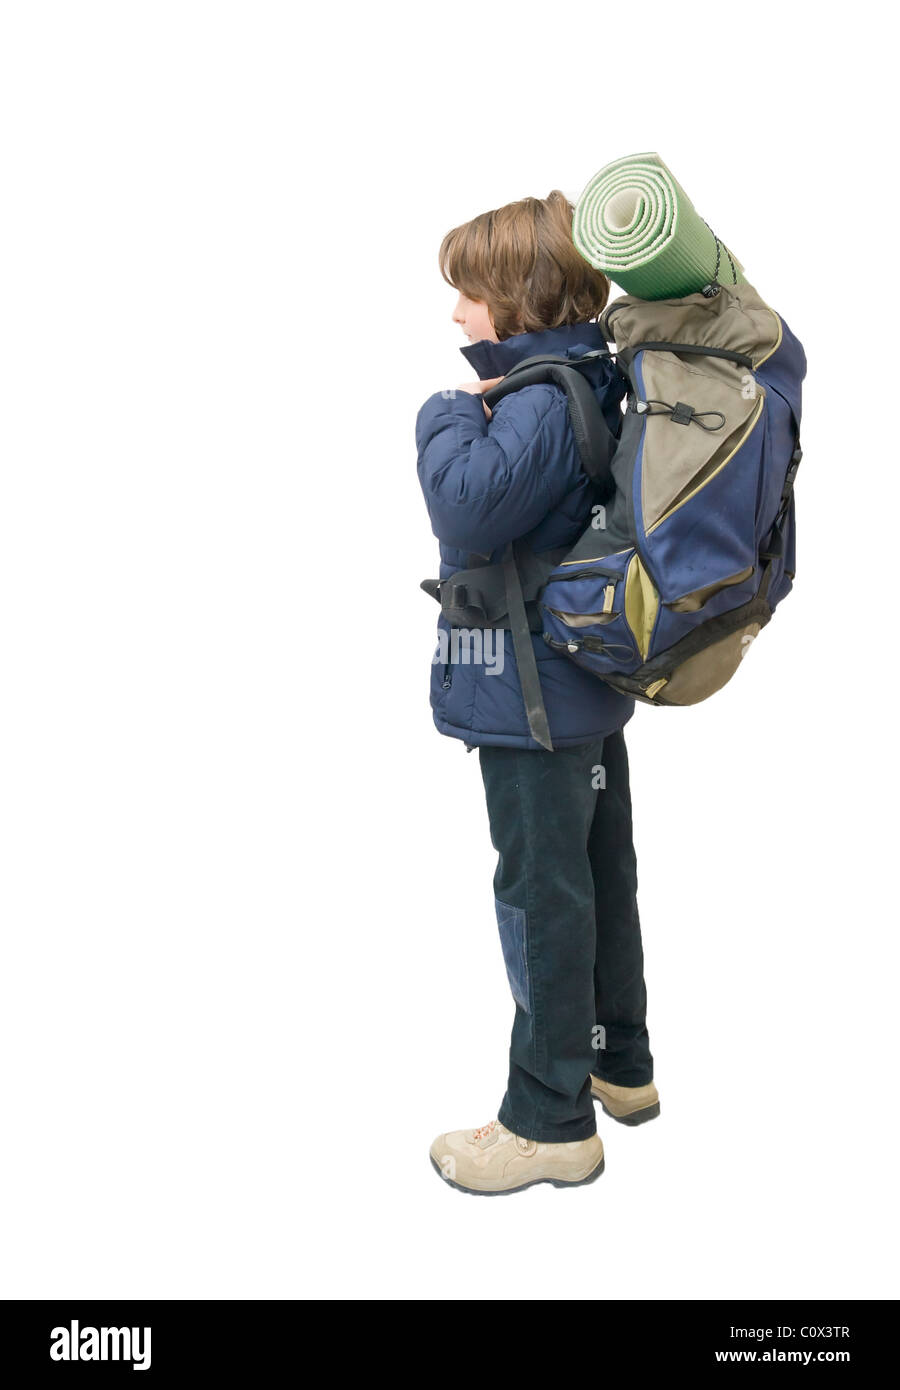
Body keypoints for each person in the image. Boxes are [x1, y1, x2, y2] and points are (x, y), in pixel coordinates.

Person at [415, 191, 659, 1196]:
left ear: (516, 295)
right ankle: (619, 1061)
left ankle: (547, 1117)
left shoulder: (531, 400)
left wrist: (437, 415)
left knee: (538, 896)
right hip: (580, 686)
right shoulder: (590, 380)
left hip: (530, 696)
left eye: (470, 293)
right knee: (595, 874)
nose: (459, 316)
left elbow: (464, 502)